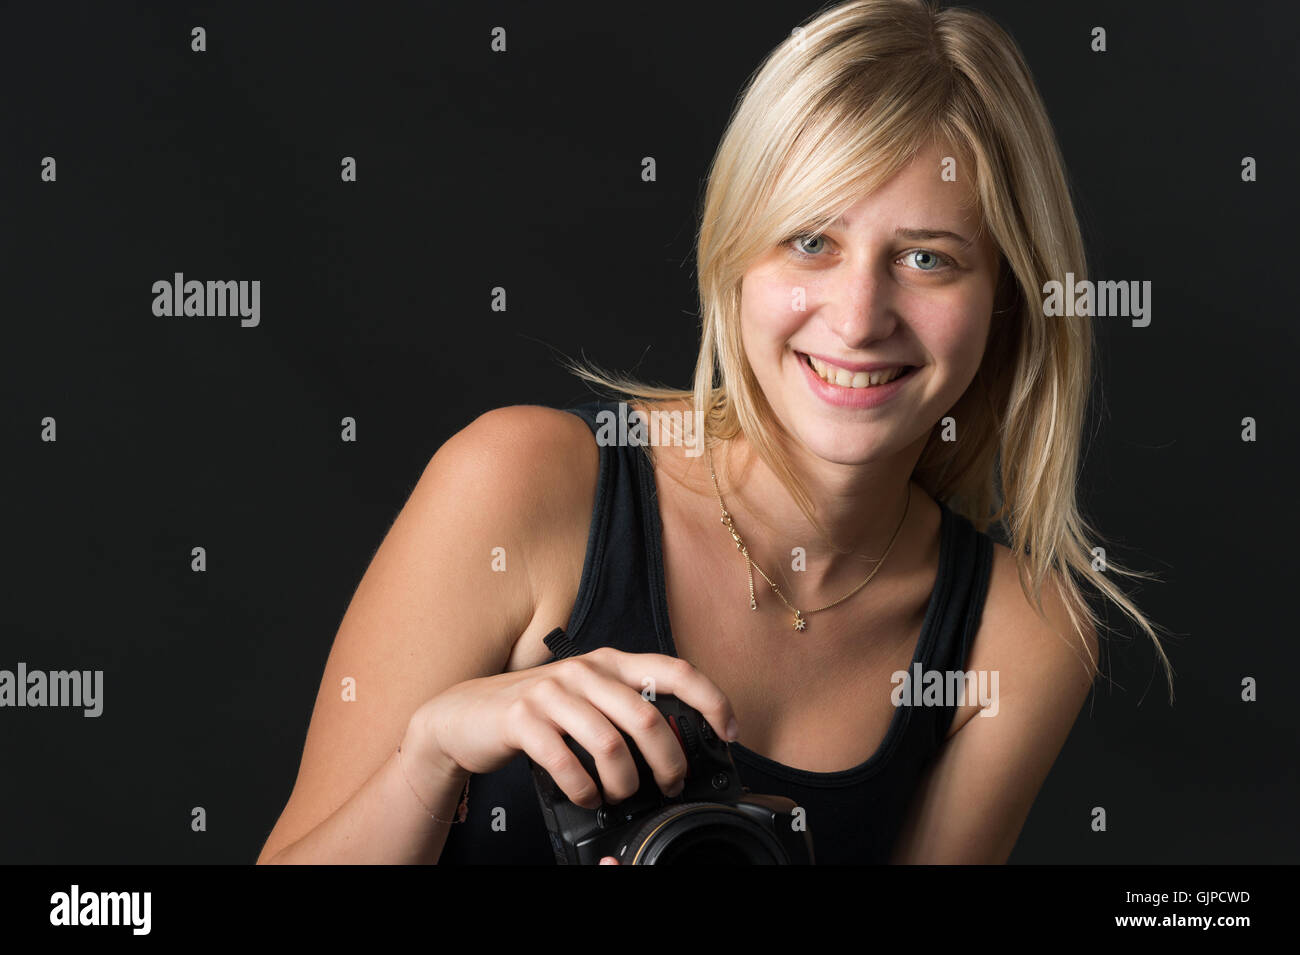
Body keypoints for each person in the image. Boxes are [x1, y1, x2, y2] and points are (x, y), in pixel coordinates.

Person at [256, 0, 1173, 865]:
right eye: (809, 241)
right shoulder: (523, 482)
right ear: (735, 259)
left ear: (1006, 300)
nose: (858, 317)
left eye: (926, 258)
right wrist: (430, 753)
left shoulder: (1019, 637)